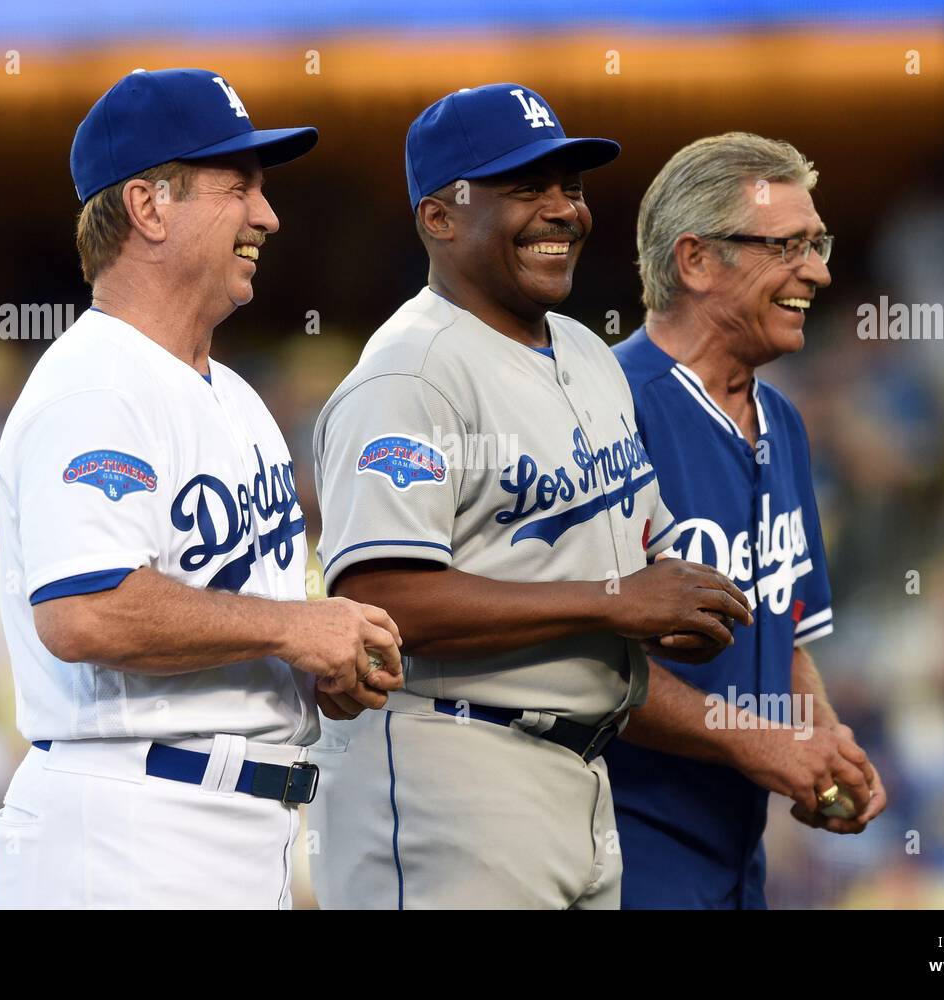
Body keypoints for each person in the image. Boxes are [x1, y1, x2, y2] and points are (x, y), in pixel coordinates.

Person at [305, 84, 751, 909]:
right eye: (524, 189)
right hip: (452, 776)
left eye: (570, 187)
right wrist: (619, 601)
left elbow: (629, 546)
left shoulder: (584, 350)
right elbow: (379, 599)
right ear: (440, 218)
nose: (562, 211)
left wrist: (669, 595)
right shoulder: (411, 375)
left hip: (578, 774)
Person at [0, 67, 403, 909]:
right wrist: (291, 630)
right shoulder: (96, 383)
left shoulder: (235, 396)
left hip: (234, 827)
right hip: (129, 829)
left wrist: (317, 671)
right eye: (238, 186)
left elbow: (239, 619)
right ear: (149, 206)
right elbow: (86, 609)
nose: (267, 215)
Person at [606, 132, 887, 909]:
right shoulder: (606, 410)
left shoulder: (784, 420)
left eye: (818, 242)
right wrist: (763, 742)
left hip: (737, 851)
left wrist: (823, 742)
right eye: (787, 245)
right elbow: (581, 658)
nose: (819, 271)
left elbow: (781, 624)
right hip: (623, 846)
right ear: (695, 260)